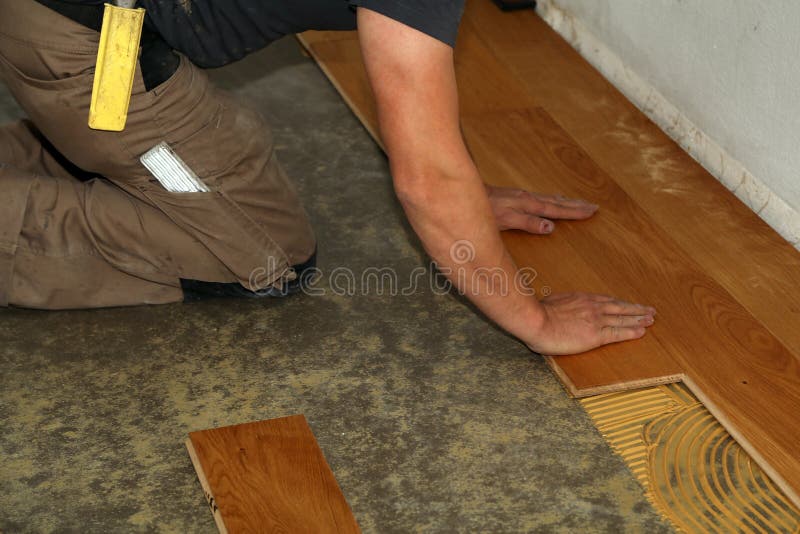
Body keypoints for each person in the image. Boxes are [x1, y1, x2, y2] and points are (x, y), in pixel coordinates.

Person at [0, 0, 655, 355]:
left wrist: (467, 201)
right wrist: (534, 322)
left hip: (69, 20)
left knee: (187, 157)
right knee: (261, 252)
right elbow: (425, 178)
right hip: (88, 43)